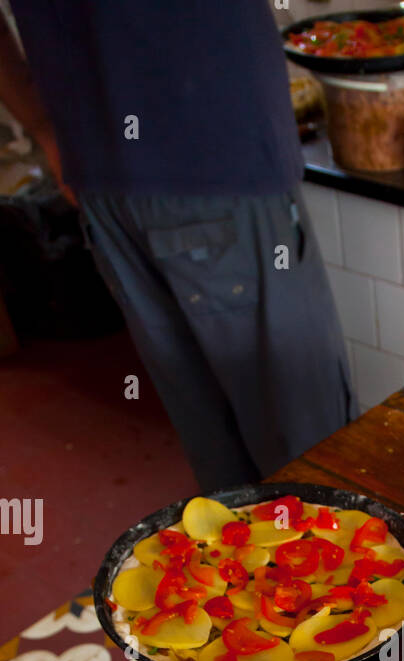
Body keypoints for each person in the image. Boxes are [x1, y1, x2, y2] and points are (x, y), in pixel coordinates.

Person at [0, 0, 354, 490]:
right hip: (217, 158)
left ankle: (239, 565)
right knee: (313, 452)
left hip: (101, 179)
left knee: (214, 443)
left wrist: (44, 128)